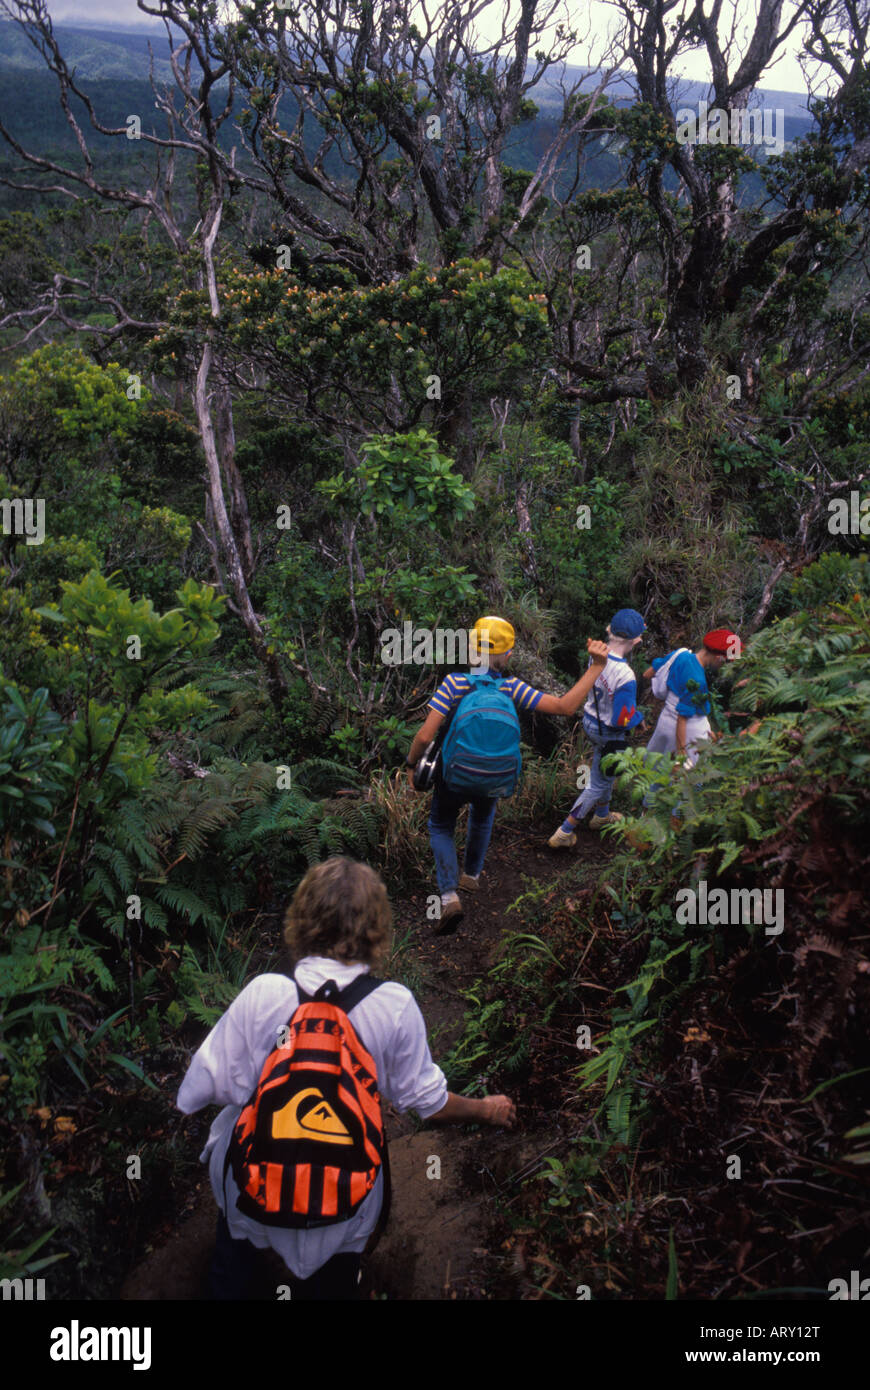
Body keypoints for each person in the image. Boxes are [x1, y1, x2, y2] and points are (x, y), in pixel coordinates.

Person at [177, 857, 516, 1300]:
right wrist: (487, 1110)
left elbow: (200, 1091)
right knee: (333, 1283)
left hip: (252, 1195)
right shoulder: (393, 1006)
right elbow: (428, 1102)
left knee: (232, 1274)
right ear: (377, 930)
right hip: (344, 1205)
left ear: (301, 921)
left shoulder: (264, 994)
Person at [405, 616, 609, 931]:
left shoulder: (455, 684)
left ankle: (448, 898)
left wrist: (411, 765)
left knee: (441, 825)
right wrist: (595, 667)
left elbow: (423, 737)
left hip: (452, 776)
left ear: (471, 650)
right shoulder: (512, 688)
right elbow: (565, 706)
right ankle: (471, 875)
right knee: (483, 816)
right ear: (509, 655)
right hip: (494, 775)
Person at [547, 608, 647, 848]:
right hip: (609, 733)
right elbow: (623, 718)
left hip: (591, 721)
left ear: (609, 630)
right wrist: (639, 718)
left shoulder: (597, 655)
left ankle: (602, 816)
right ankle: (564, 831)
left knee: (603, 772)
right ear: (636, 641)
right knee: (598, 783)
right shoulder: (626, 675)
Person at [643, 628, 741, 770]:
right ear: (718, 657)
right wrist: (681, 754)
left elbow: (648, 674)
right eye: (726, 661)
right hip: (686, 735)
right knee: (685, 780)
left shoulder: (680, 655)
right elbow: (682, 719)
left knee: (657, 772)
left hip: (665, 723)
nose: (724, 666)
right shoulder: (697, 681)